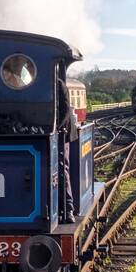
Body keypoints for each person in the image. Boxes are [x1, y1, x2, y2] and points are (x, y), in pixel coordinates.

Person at [56, 71, 78, 222]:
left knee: (63, 168)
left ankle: (68, 207)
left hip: (62, 132)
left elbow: (65, 109)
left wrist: (56, 128)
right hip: (55, 131)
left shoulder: (58, 84)